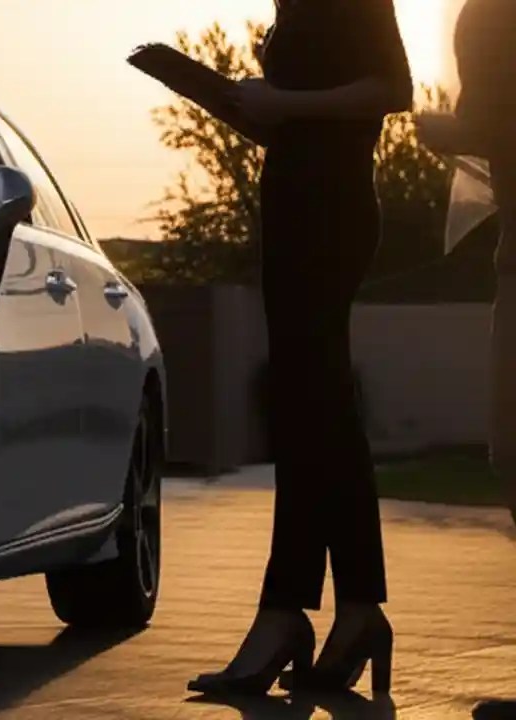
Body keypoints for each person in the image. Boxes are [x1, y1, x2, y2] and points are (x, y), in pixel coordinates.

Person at [187, 0, 413, 696]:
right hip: (292, 202)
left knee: (311, 410)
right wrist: (242, 105)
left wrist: (283, 101)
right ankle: (354, 611)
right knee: (317, 412)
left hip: (330, 210)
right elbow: (305, 115)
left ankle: (287, 613)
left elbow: (392, 88)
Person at [415, 0, 516, 528]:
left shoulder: (488, 19)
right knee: (508, 448)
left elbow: (485, 123)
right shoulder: (481, 17)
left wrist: (460, 134)